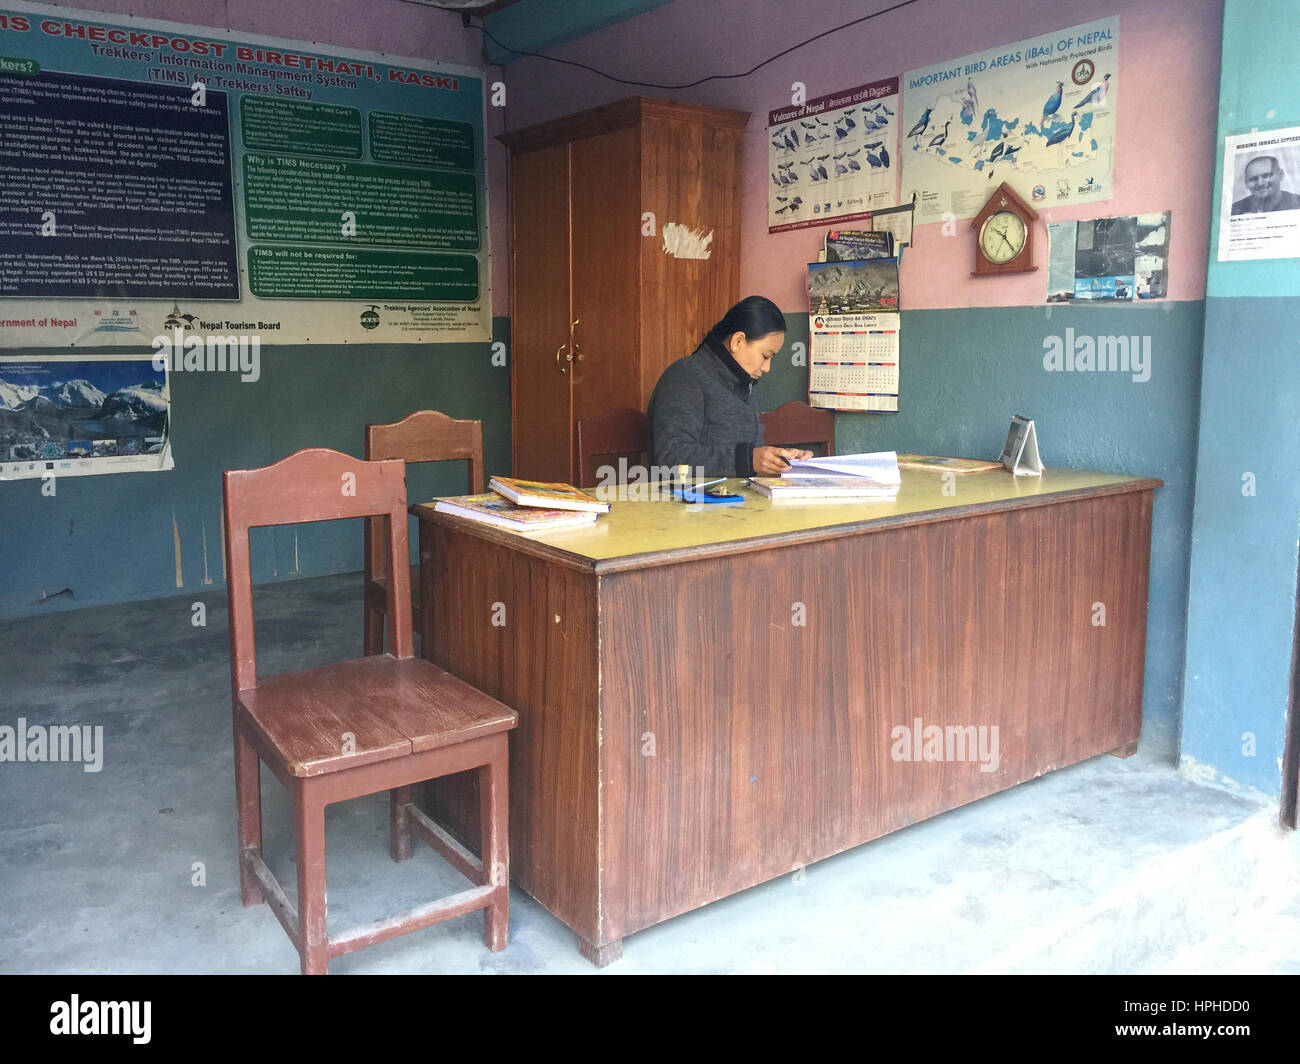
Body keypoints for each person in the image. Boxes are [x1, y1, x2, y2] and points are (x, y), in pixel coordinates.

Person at [646, 296, 812, 477]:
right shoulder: (684, 378)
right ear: (737, 341)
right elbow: (671, 458)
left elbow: (746, 459)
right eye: (765, 355)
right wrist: (750, 460)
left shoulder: (742, 384)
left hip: (739, 500)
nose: (767, 368)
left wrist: (780, 461)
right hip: (690, 502)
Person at [1231, 155, 1300, 215]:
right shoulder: (1234, 210)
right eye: (1253, 179)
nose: (1260, 183)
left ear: (1280, 175)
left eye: (1266, 176)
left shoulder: (1297, 203)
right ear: (1246, 183)